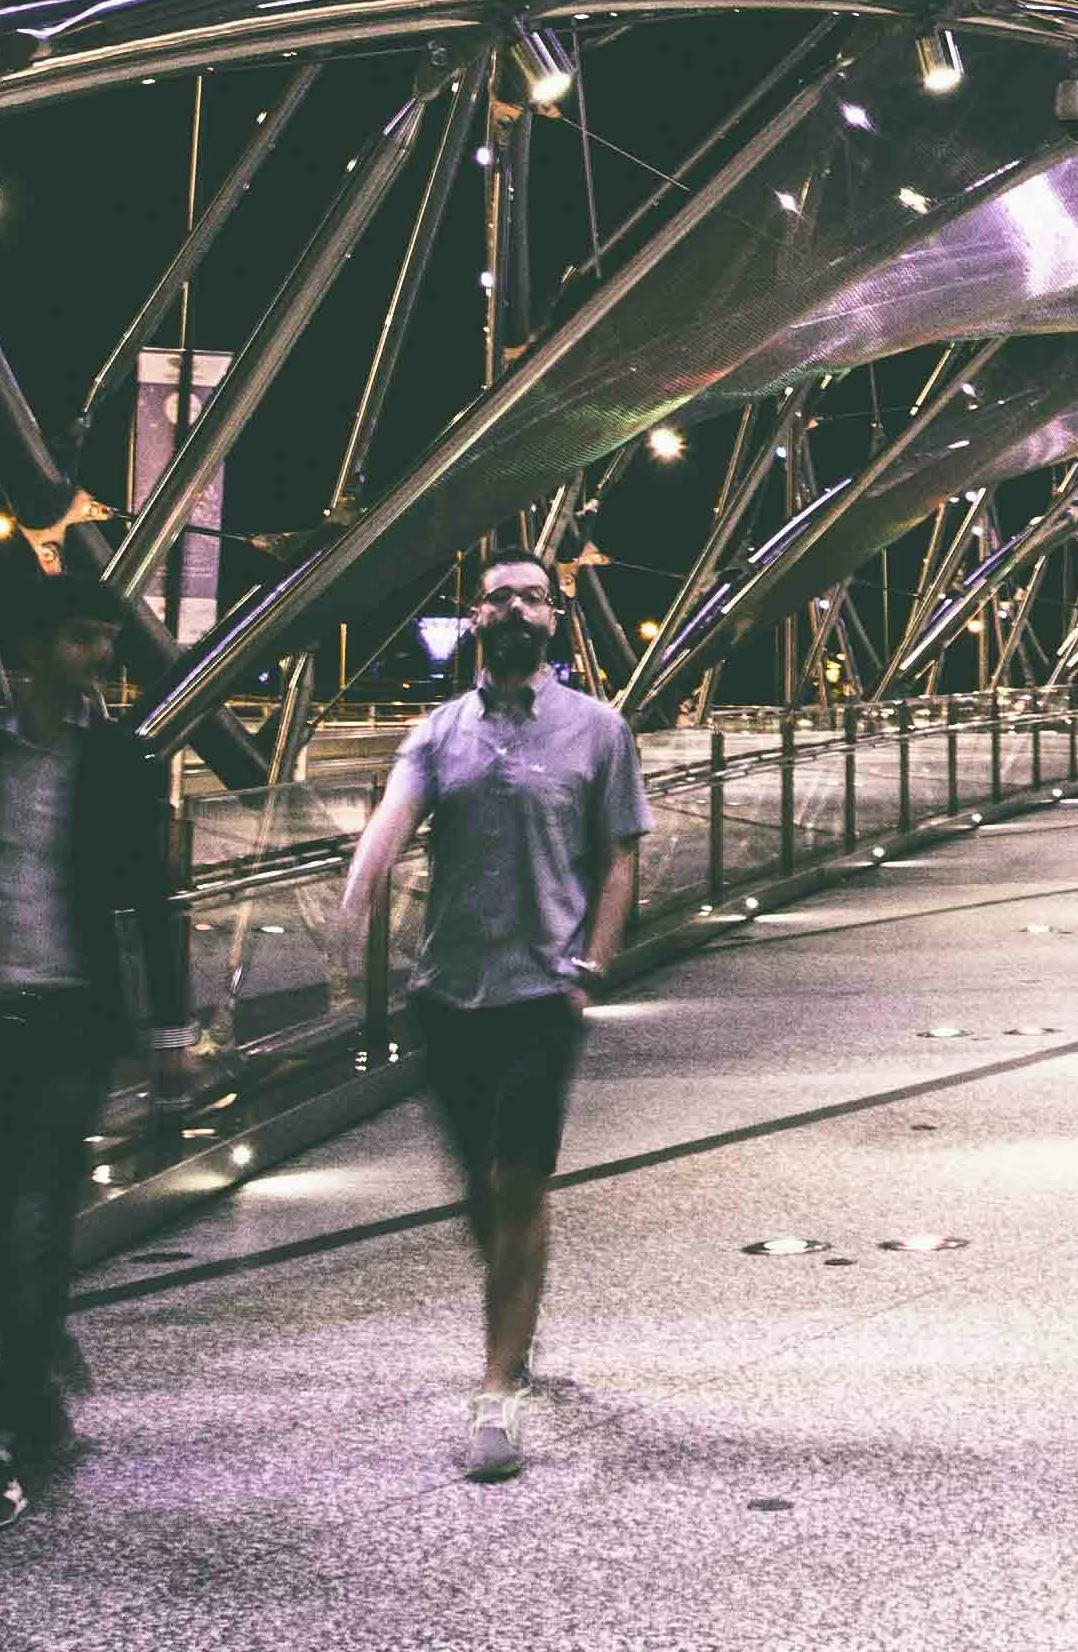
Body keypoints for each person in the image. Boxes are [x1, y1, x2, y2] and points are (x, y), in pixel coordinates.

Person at [334, 550, 651, 1484]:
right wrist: (357, 897)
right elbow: (391, 822)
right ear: (476, 618)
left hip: (540, 995)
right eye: (497, 595)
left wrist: (592, 963)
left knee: (518, 1189)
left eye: (532, 597)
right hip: (449, 995)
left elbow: (621, 854)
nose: (515, 607)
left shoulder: (599, 730)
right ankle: (518, 1310)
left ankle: (497, 1386)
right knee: (483, 1191)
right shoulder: (437, 733)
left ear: (555, 619)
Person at [0, 576, 194, 1540]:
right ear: (28, 652)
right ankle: (34, 1373)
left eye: (104, 640)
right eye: (79, 639)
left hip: (71, 1017)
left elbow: (155, 896)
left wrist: (171, 1034)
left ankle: (4, 1438)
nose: (98, 659)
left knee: (46, 1221)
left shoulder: (120, 758)